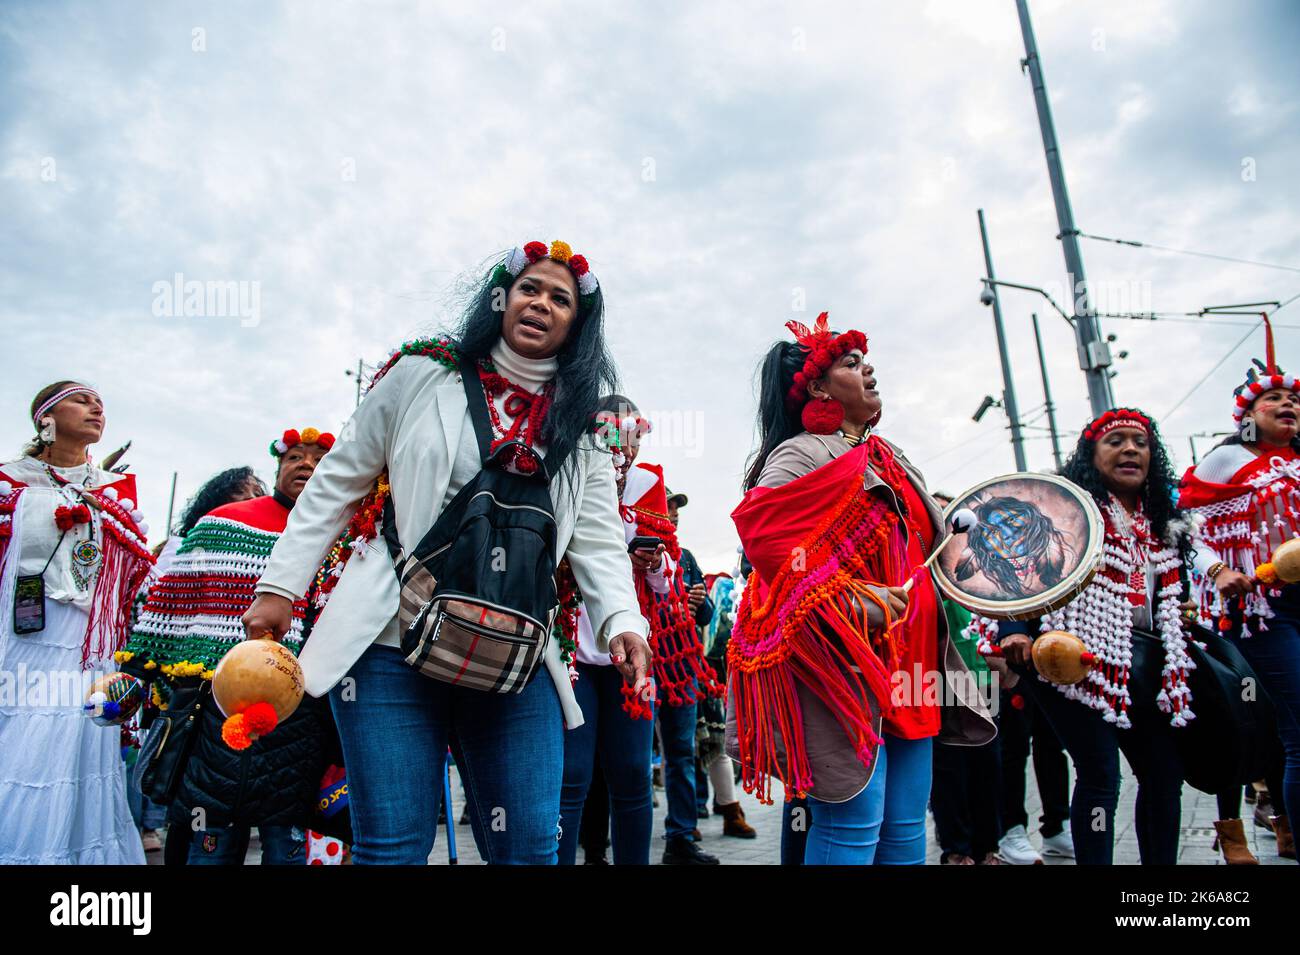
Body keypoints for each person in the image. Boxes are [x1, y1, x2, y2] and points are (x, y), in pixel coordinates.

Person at [242, 240, 652, 865]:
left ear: (578, 323)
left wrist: (623, 622)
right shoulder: (420, 376)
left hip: (515, 651)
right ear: (502, 300)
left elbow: (598, 540)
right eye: (529, 289)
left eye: (560, 298)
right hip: (388, 640)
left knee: (531, 847)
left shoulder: (585, 426)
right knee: (394, 848)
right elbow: (338, 480)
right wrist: (279, 589)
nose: (540, 303)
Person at [729, 312, 994, 865]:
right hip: (848, 666)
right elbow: (766, 538)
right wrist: (846, 598)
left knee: (904, 830)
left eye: (865, 361)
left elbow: (934, 551)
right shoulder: (801, 453)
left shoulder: (890, 457)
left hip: (914, 662)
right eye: (851, 363)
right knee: (853, 823)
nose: (868, 368)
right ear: (819, 388)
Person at [981, 409, 1193, 865]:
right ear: (1091, 456)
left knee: (1163, 774)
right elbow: (1016, 571)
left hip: (1143, 662)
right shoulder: (1069, 509)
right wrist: (1015, 630)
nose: (1130, 449)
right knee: (1100, 774)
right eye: (1115, 441)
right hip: (1068, 659)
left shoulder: (1164, 520)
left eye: (1140, 442)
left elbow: (1176, 592)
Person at [121, 428, 340, 864]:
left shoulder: (345, 531)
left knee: (289, 843)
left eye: (318, 460)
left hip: (302, 713)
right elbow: (170, 601)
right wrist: (139, 675)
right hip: (214, 709)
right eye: (295, 456)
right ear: (278, 465)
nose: (305, 465)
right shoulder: (224, 522)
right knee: (211, 838)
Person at [0, 381, 153, 863]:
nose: (95, 408)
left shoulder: (114, 492)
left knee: (79, 742)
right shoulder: (9, 480)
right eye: (81, 400)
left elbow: (134, 576)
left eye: (100, 404)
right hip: (22, 636)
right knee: (25, 742)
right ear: (44, 417)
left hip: (88, 641)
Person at [1179, 320, 1300, 863]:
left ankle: (1281, 822)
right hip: (1262, 614)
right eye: (1273, 397)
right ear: (1248, 415)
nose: (1287, 404)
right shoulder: (1226, 460)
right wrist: (1216, 572)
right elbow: (1185, 530)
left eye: (1293, 398)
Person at [556, 395, 659, 865]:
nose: (623, 448)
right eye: (612, 435)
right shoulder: (568, 473)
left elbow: (666, 581)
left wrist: (655, 561)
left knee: (634, 772)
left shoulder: (648, 488)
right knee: (572, 775)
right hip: (571, 653)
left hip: (630, 654)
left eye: (630, 436)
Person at [672, 491, 755, 839]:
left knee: (711, 742)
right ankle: (683, 822)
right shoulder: (634, 553)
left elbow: (705, 615)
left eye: (676, 510)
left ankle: (724, 812)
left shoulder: (685, 557)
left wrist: (698, 602)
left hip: (694, 666)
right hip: (655, 665)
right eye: (667, 507)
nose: (673, 515)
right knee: (677, 748)